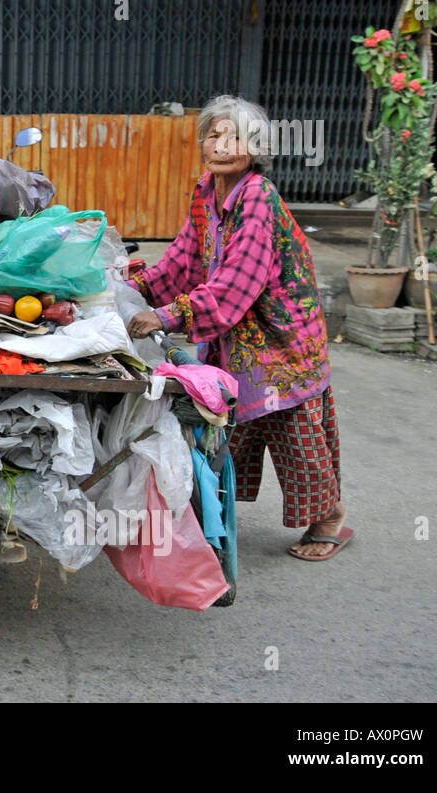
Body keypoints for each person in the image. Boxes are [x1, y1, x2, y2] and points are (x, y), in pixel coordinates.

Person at [124, 95, 353, 562]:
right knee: (225, 425)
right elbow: (185, 259)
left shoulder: (258, 198)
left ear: (255, 147)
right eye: (213, 134)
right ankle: (211, 517)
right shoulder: (207, 191)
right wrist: (136, 286)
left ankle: (330, 518)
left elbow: (233, 288)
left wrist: (166, 316)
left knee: (295, 437)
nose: (221, 143)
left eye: (234, 136)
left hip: (282, 340)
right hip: (238, 341)